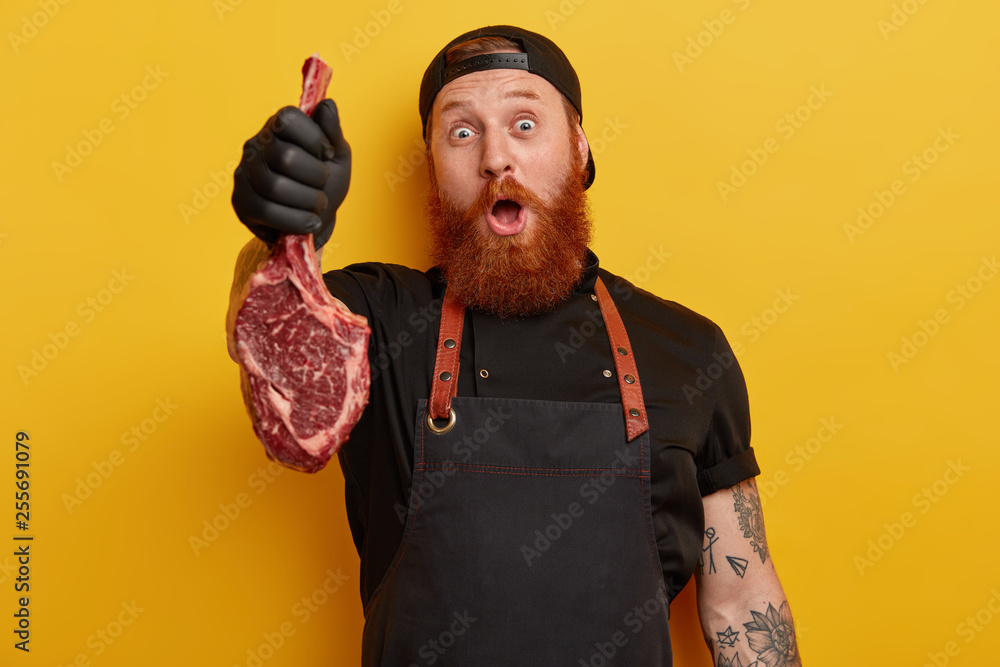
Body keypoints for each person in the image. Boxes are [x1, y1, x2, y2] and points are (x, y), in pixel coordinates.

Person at [228, 25, 802, 667]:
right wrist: (281, 238)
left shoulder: (689, 351)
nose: (495, 157)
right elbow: (280, 363)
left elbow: (741, 602)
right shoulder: (380, 318)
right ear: (433, 169)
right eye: (461, 132)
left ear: (580, 149)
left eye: (525, 123)